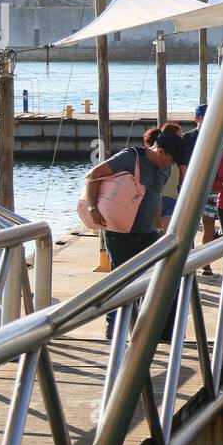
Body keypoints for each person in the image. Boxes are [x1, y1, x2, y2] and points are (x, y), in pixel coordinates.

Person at [84, 123, 188, 334]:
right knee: (121, 284)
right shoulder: (130, 158)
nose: (171, 164)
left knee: (163, 278)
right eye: (170, 159)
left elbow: (156, 198)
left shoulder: (165, 168)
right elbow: (93, 175)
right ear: (160, 151)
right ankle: (114, 331)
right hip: (121, 233)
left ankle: (160, 332)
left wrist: (159, 229)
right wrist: (93, 207)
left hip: (147, 233)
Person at [178, 105, 220, 275]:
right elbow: (183, 164)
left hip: (211, 186)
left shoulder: (218, 137)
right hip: (192, 186)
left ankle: (205, 262)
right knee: (189, 226)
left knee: (209, 224)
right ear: (196, 118)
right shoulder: (187, 138)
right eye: (203, 117)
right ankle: (190, 260)